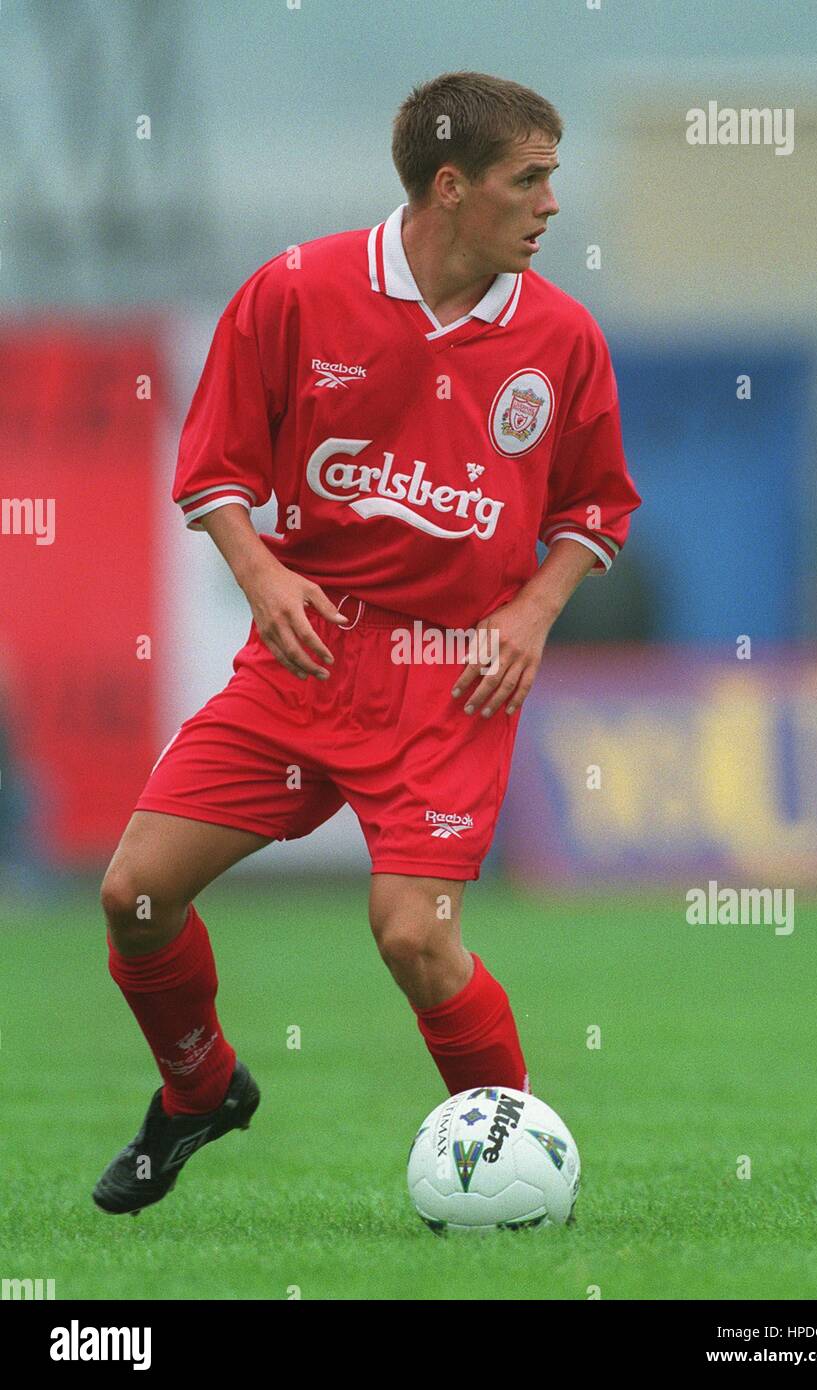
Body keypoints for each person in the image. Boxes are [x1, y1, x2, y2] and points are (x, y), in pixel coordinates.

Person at [93, 71, 641, 1214]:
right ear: (451, 187)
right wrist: (263, 575)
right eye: (529, 179)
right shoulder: (297, 291)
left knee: (413, 939)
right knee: (136, 893)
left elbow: (595, 507)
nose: (551, 203)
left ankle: (521, 1177)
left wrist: (531, 611)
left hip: (451, 679)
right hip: (307, 660)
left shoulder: (560, 334)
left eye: (553, 178)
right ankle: (200, 1089)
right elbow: (213, 470)